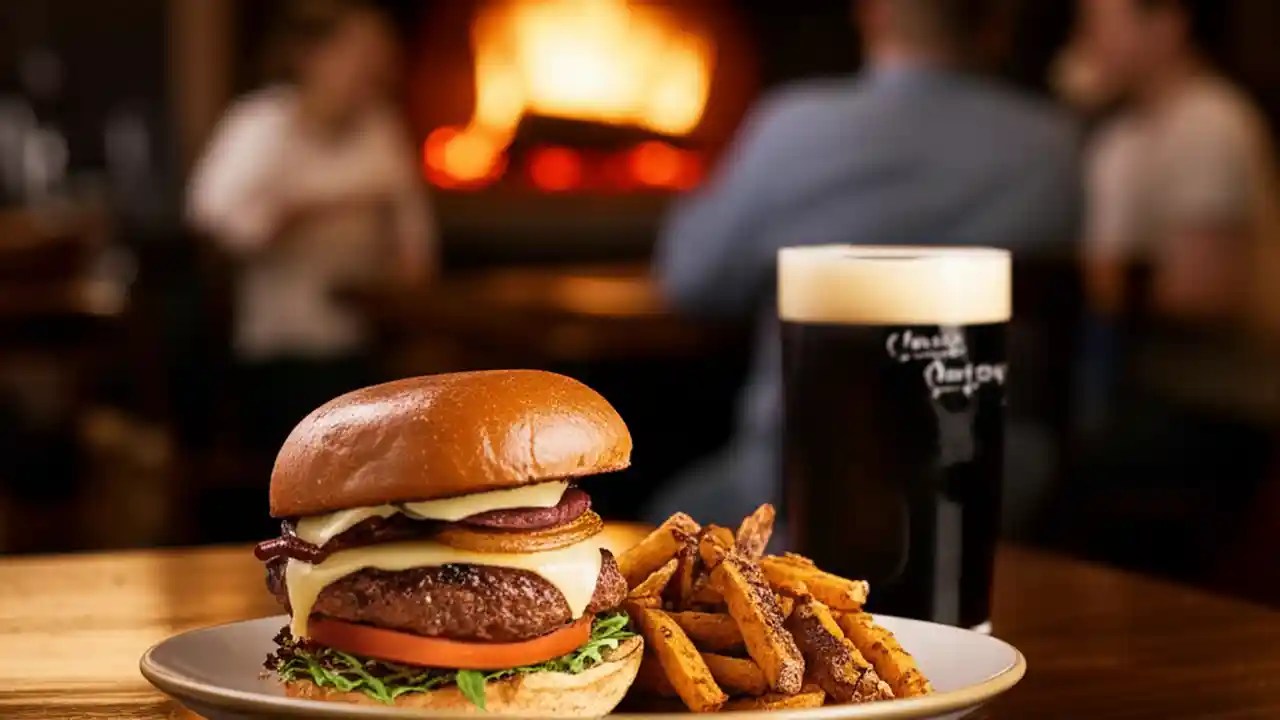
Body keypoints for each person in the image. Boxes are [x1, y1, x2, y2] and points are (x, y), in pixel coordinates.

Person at [648, 0, 1080, 528]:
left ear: (872, 15)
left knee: (657, 519)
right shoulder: (1054, 146)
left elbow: (690, 280)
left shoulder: (793, 127)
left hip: (797, 490)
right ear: (996, 26)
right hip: (995, 487)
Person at [188, 0, 435, 456]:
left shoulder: (380, 128)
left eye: (379, 58)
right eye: (357, 55)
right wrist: (307, 211)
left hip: (367, 343)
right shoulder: (262, 124)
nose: (371, 71)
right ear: (310, 57)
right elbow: (216, 219)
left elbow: (414, 239)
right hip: (279, 351)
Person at [1073, 0, 1280, 332]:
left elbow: (1206, 291)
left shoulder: (1211, 122)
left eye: (1097, 24)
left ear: (1165, 26)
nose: (1085, 41)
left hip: (1208, 370)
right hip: (1130, 361)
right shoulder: (1119, 136)